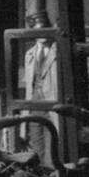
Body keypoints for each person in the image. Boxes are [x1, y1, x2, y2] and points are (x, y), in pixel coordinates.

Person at [23, 9, 59, 162]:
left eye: (45, 29)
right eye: (38, 31)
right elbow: (28, 85)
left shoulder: (58, 50)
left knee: (52, 141)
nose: (42, 34)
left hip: (52, 102)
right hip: (34, 104)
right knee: (36, 140)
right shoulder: (30, 54)